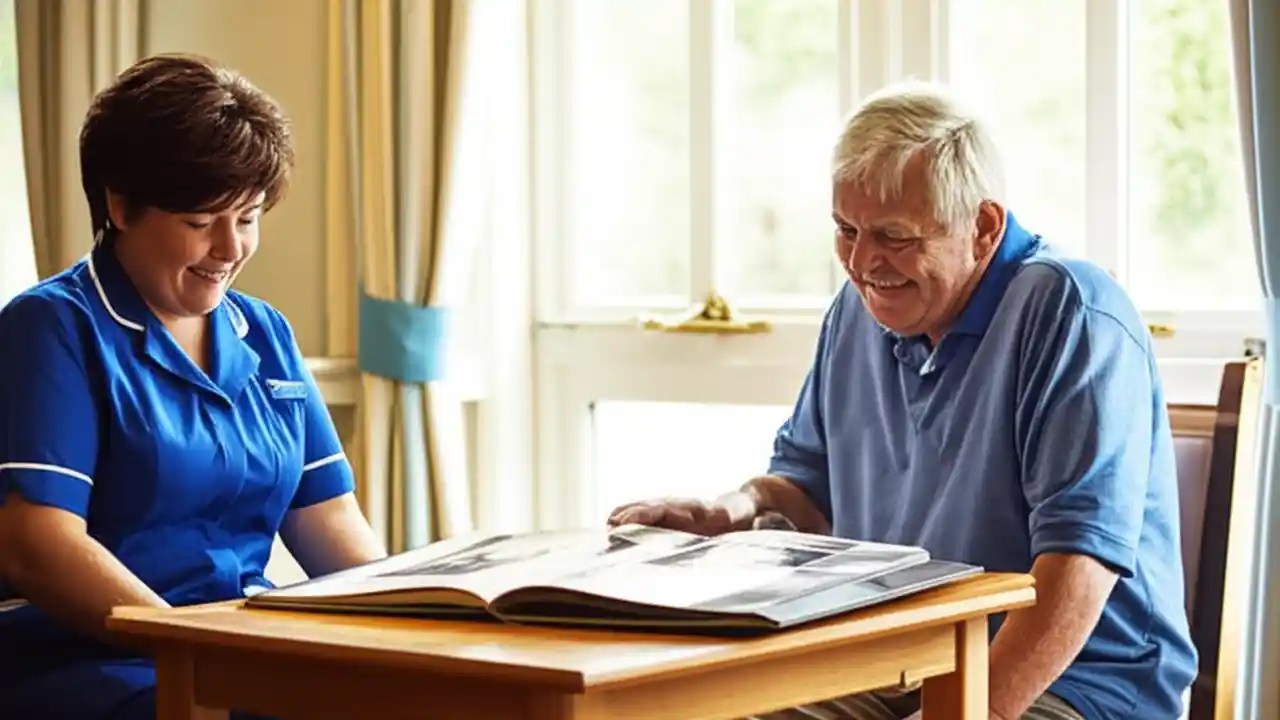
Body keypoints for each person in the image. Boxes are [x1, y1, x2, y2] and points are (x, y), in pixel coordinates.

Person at [610, 81, 1196, 720]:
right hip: (893, 662)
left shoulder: (1069, 309)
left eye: (894, 236)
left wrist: (968, 712)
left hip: (1076, 684)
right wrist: (727, 510)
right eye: (845, 229)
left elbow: (1077, 568)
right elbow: (806, 489)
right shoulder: (859, 313)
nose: (863, 262)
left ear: (983, 227)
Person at [0, 54, 387, 719]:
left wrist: (415, 624)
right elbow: (36, 543)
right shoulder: (53, 327)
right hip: (92, 666)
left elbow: (329, 520)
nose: (230, 248)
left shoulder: (263, 333)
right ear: (120, 205)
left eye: (249, 217)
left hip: (232, 655)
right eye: (201, 221)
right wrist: (193, 654)